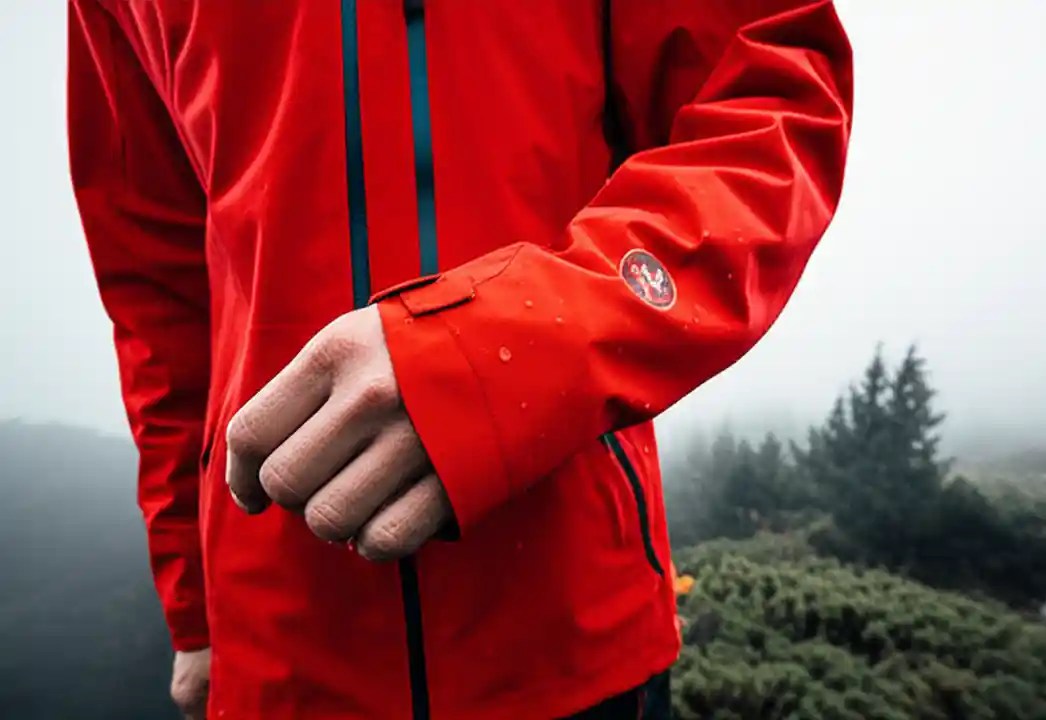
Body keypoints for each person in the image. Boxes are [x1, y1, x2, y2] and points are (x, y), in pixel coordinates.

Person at [67, 0, 853, 717]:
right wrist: (193, 606)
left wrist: (495, 362)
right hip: (280, 650)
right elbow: (156, 290)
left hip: (574, 632)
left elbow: (767, 109)